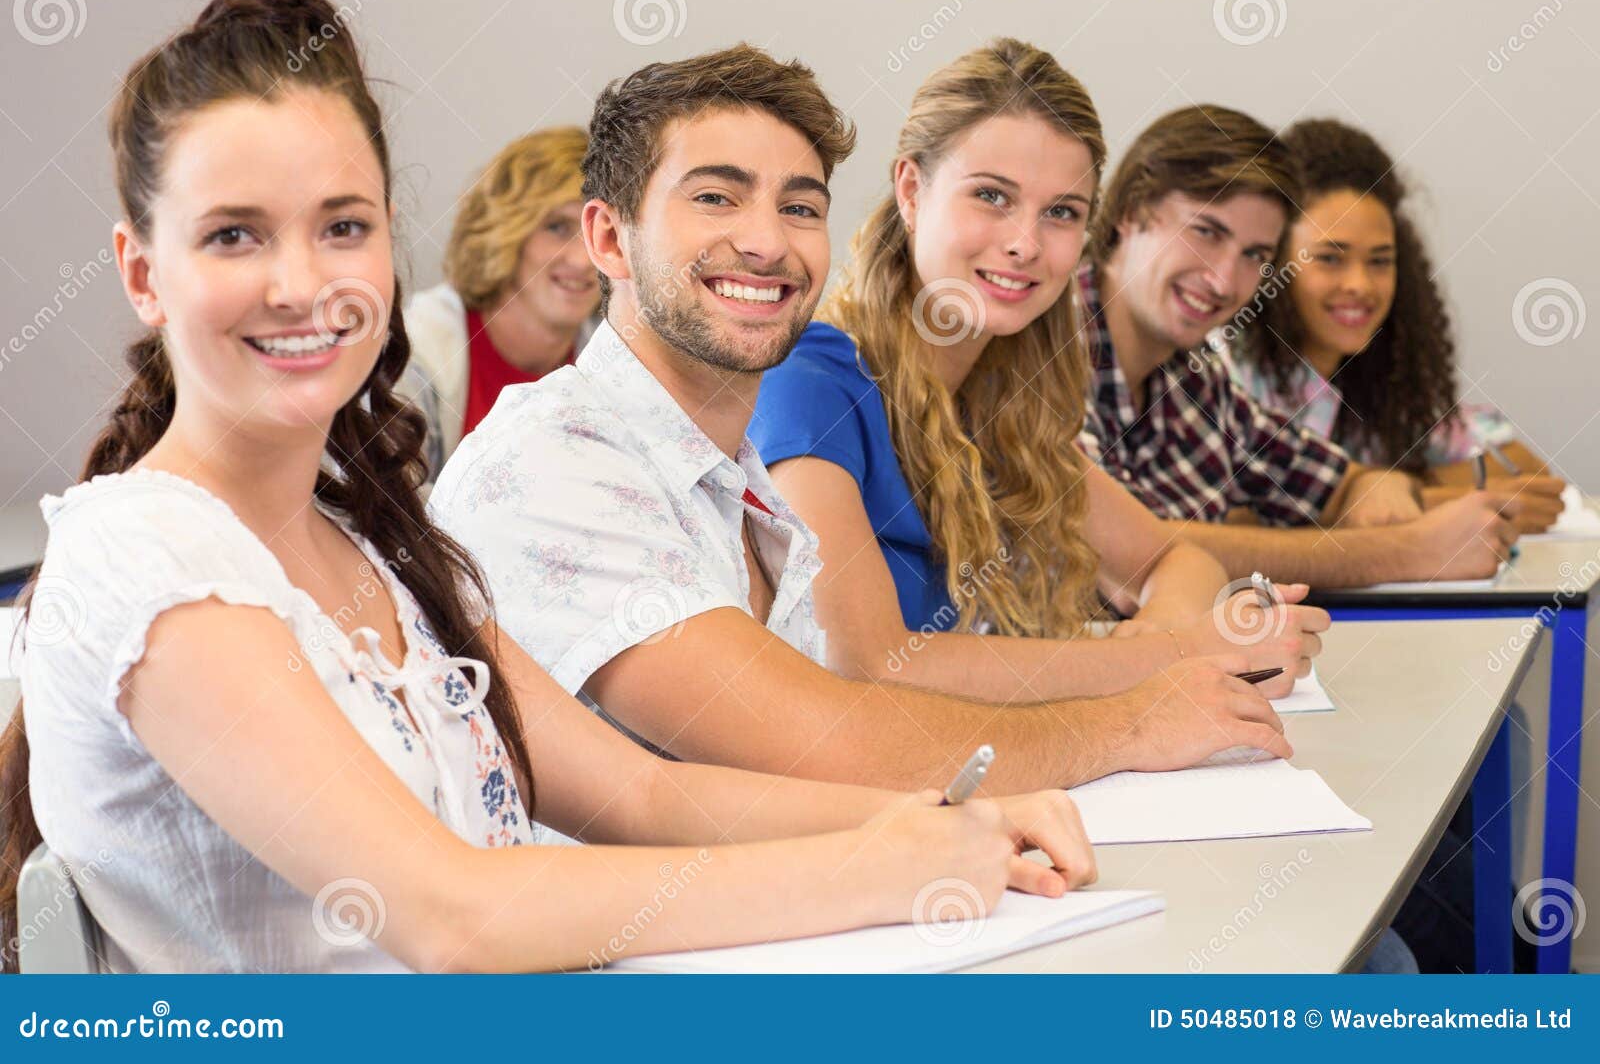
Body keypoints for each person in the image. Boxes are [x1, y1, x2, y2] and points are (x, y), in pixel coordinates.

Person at [0, 0, 1095, 974]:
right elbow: (453, 914)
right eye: (235, 235)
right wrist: (869, 871)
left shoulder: (377, 541)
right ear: (143, 272)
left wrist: (936, 820)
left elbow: (644, 793)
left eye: (342, 226)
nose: (301, 282)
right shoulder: (146, 555)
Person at [430, 42, 1293, 796]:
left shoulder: (742, 483)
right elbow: (833, 731)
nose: (768, 242)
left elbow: (819, 756)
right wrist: (1139, 710)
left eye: (800, 207)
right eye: (717, 199)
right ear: (610, 241)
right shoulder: (554, 458)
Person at [746, 39, 1324, 702]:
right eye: (992, 195)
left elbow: (1177, 560)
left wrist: (1160, 641)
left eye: (1061, 212)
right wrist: (1181, 653)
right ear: (911, 190)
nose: (1025, 242)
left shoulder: (994, 405)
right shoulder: (811, 379)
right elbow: (869, 662)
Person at [1076, 105, 1518, 587]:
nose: (1224, 281)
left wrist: (1373, 488)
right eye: (1206, 232)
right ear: (1128, 212)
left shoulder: (1193, 378)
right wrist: (1403, 550)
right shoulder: (1045, 348)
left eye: (1254, 255)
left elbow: (1338, 481)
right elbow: (1128, 553)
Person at [1225, 116, 1564, 534]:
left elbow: (1528, 474)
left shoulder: (1378, 384)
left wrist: (1397, 492)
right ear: (1273, 257)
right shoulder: (1227, 372)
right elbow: (1237, 518)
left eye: (1380, 261)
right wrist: (1423, 500)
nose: (1360, 285)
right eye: (1330, 258)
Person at [399, 127, 601, 483]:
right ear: (506, 231)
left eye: (598, 231)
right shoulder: (413, 355)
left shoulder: (616, 363)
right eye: (557, 227)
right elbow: (391, 514)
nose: (583, 259)